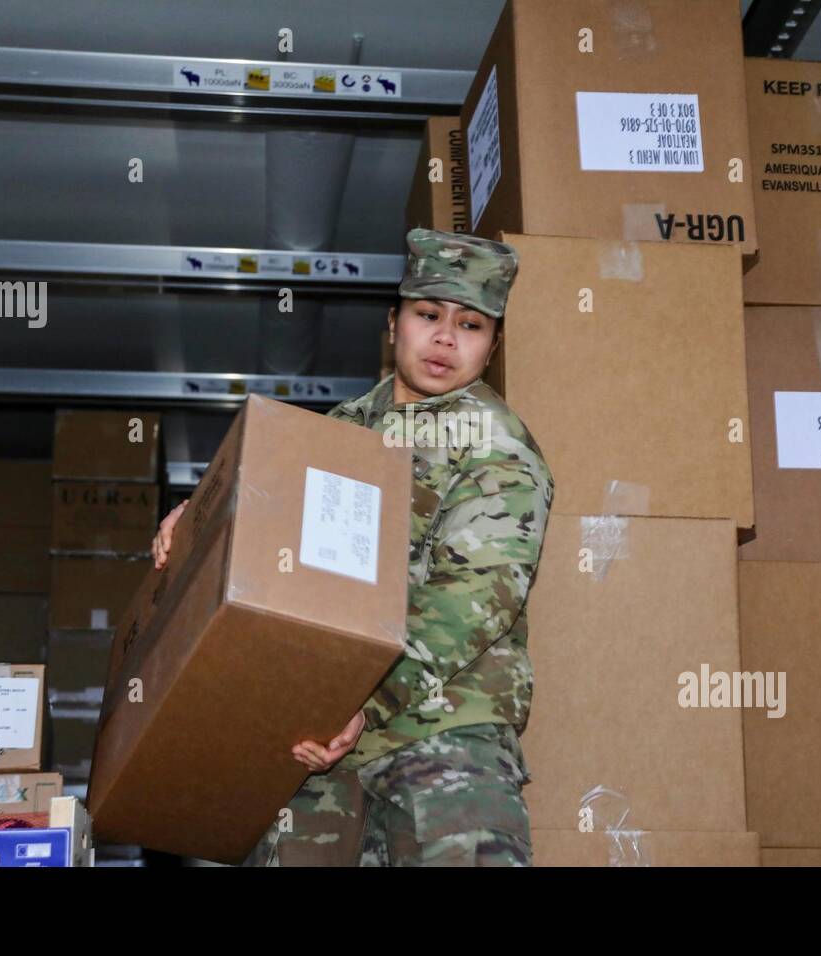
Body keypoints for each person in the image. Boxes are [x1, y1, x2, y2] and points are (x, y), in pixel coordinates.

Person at [151, 228, 554, 866]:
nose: (446, 337)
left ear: (493, 344)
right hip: (317, 742)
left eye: (471, 325)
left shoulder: (498, 448)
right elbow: (259, 529)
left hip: (444, 734)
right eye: (428, 315)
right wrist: (194, 522)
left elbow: (476, 601)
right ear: (394, 325)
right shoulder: (335, 431)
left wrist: (361, 704)